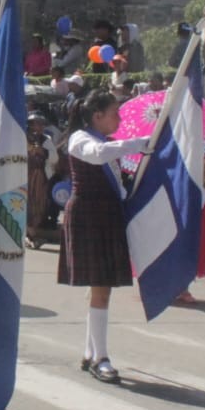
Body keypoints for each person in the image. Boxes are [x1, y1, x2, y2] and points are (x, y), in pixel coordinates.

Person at [58, 90, 150, 384]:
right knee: (101, 287)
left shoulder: (107, 144)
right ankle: (101, 357)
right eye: (114, 113)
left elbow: (118, 185)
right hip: (89, 215)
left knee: (102, 287)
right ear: (96, 116)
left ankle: (91, 351)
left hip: (106, 214)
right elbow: (97, 157)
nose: (119, 119)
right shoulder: (81, 140)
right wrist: (138, 144)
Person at [25, 113, 59, 248]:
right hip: (25, 175)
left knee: (39, 205)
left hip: (40, 176)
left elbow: (54, 158)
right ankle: (29, 235)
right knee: (26, 203)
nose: (39, 127)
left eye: (41, 124)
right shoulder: (23, 138)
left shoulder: (46, 140)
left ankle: (32, 233)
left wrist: (43, 151)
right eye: (36, 123)